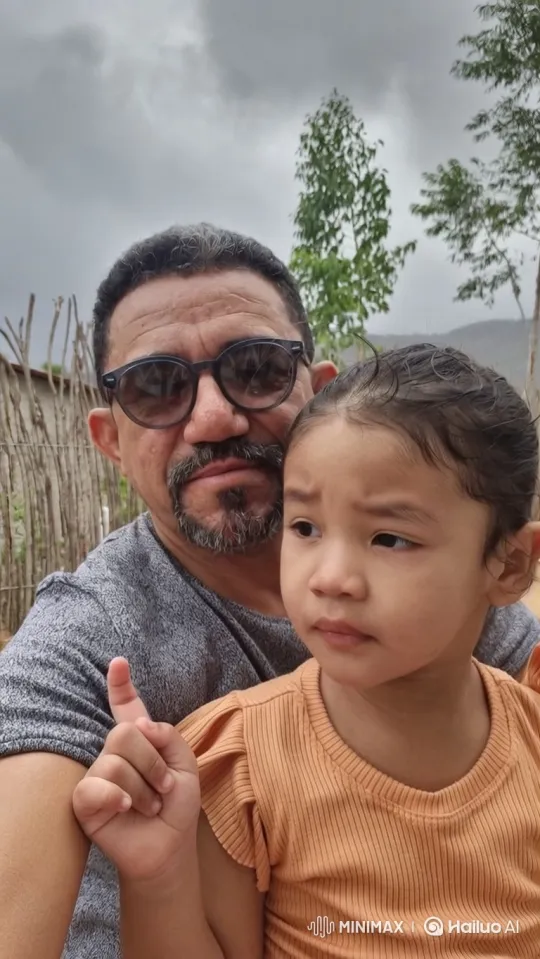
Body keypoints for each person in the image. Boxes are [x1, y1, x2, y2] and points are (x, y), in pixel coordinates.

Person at [0, 226, 538, 959]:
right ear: (110, 440)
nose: (214, 415)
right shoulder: (86, 645)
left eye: (254, 369)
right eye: (156, 388)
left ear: (316, 392)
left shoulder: (463, 607)